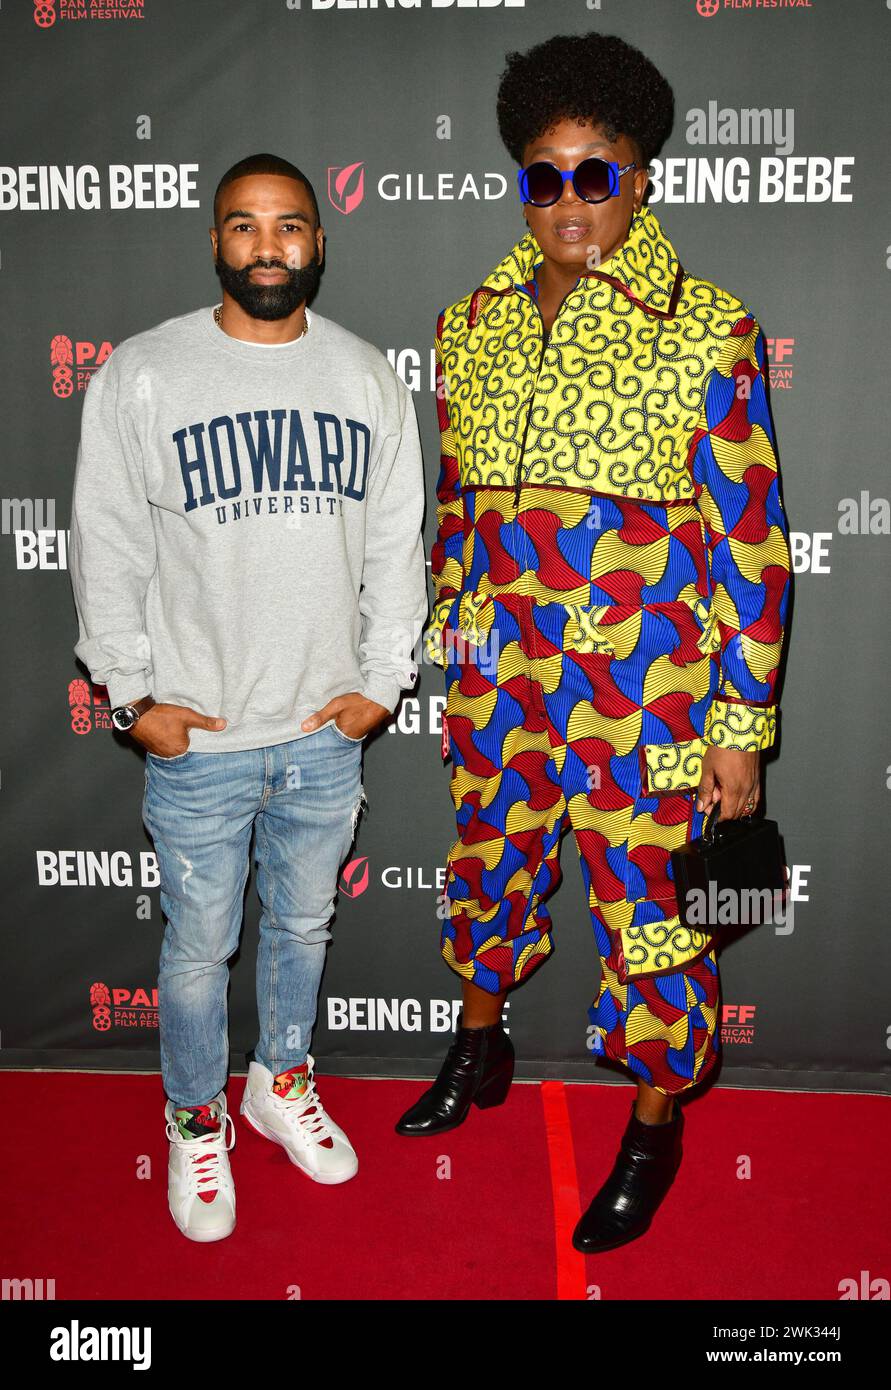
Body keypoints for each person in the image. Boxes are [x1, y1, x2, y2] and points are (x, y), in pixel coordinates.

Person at [395, 33, 791, 1255]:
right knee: (489, 867)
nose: (569, 201)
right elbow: (456, 504)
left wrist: (741, 726)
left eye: (595, 173)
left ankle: (657, 1122)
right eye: (545, 175)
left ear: (641, 178)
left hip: (650, 691)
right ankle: (482, 1039)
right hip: (499, 677)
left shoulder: (709, 327)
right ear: (523, 181)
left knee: (660, 921)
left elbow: (754, 539)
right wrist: (453, 646)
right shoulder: (472, 324)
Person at [68, 153, 428, 1243]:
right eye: (243, 225)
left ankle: (279, 1080)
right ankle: (193, 1117)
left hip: (324, 734)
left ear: (319, 241)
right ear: (216, 242)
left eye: (288, 225)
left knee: (306, 927)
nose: (267, 244)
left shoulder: (367, 376)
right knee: (195, 948)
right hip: (204, 736)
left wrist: (383, 680)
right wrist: (131, 695)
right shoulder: (143, 373)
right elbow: (108, 542)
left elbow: (397, 545)